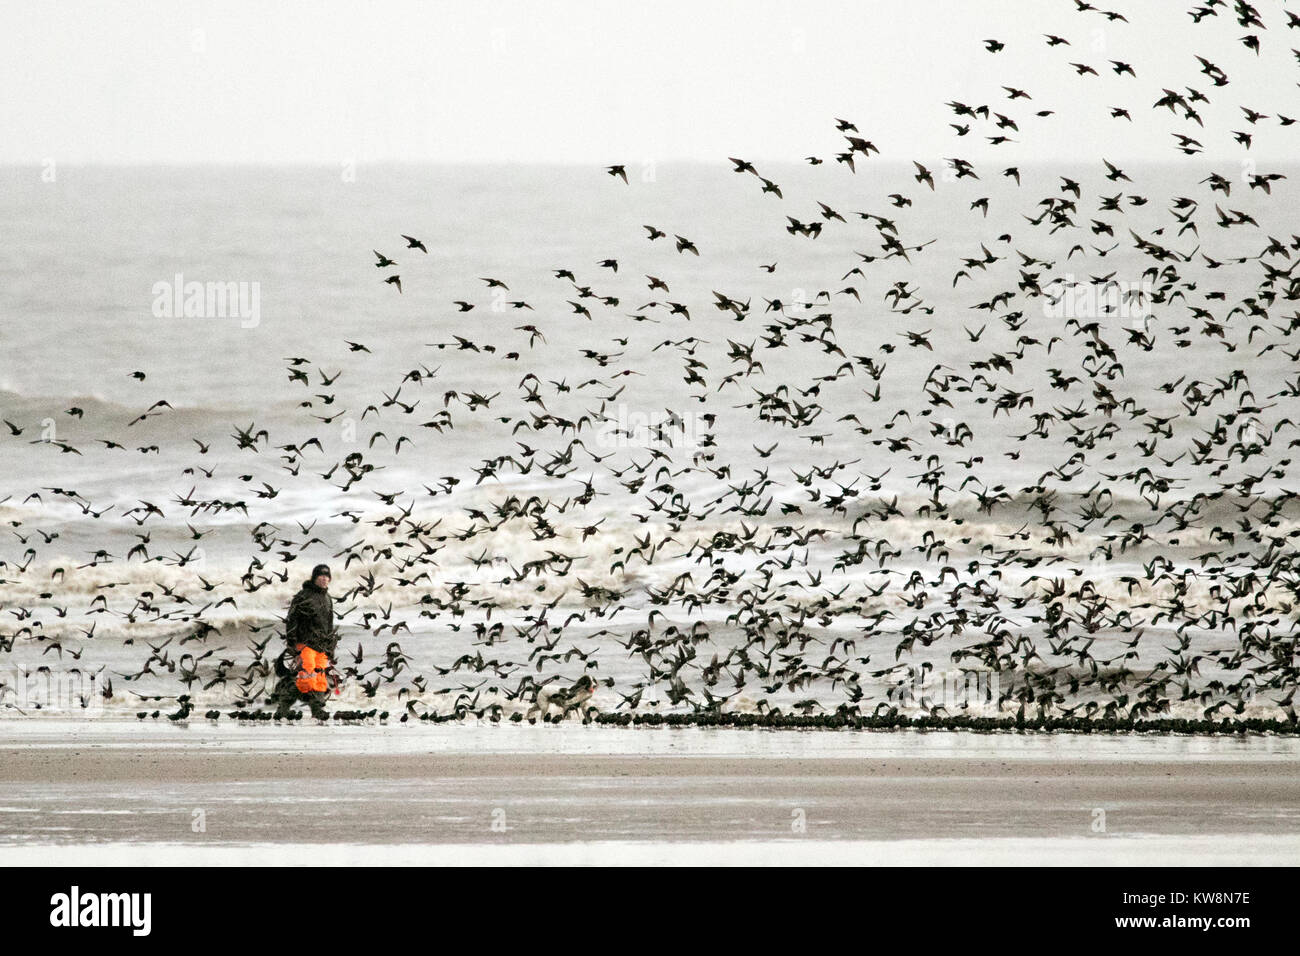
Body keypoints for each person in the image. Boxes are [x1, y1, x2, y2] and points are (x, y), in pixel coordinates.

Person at [273, 563, 338, 719]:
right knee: (307, 677)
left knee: (320, 677)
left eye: (326, 576)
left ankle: (316, 710)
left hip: (322, 645)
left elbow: (329, 624)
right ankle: (284, 707)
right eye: (320, 576)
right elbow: (291, 621)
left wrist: (331, 646)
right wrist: (292, 644)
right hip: (305, 643)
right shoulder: (303, 596)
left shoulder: (328, 598)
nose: (324, 579)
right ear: (314, 578)